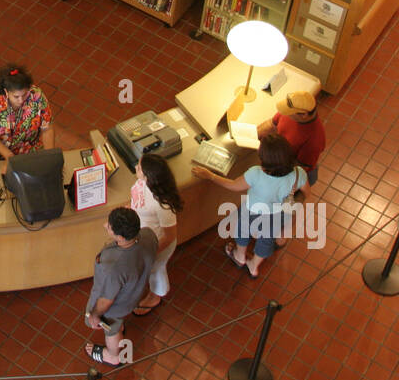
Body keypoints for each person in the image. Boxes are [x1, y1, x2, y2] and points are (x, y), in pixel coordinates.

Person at [192, 132, 306, 278]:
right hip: (280, 215)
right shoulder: (298, 173)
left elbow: (233, 186)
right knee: (267, 239)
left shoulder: (255, 174)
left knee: (243, 230)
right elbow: (306, 193)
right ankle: (254, 266)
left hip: (253, 212)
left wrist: (210, 176)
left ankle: (240, 256)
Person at [84, 207, 158, 366]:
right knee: (117, 321)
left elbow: (107, 300)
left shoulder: (114, 267)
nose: (105, 226)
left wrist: (95, 315)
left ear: (121, 237)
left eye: (109, 226)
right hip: (134, 293)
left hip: (116, 307)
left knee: (112, 328)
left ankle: (113, 356)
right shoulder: (148, 235)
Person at [130, 153, 184, 316]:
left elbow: (169, 236)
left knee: (156, 269)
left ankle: (155, 296)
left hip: (157, 244)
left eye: (139, 167)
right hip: (144, 238)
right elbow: (136, 201)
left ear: (148, 176)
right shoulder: (141, 183)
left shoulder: (163, 204)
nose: (135, 168)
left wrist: (150, 252)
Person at [0, 63, 55, 164]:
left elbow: (47, 128)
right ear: (6, 92)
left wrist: (50, 156)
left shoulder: (37, 96)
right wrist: (9, 156)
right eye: (16, 97)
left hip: (25, 149)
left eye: (24, 95)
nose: (21, 100)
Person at [256, 89, 326, 190]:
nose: (285, 114)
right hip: (280, 158)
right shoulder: (291, 113)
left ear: (303, 115)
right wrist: (251, 134)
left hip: (295, 173)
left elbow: (299, 168)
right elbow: (271, 124)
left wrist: (271, 164)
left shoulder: (315, 139)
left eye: (289, 112)